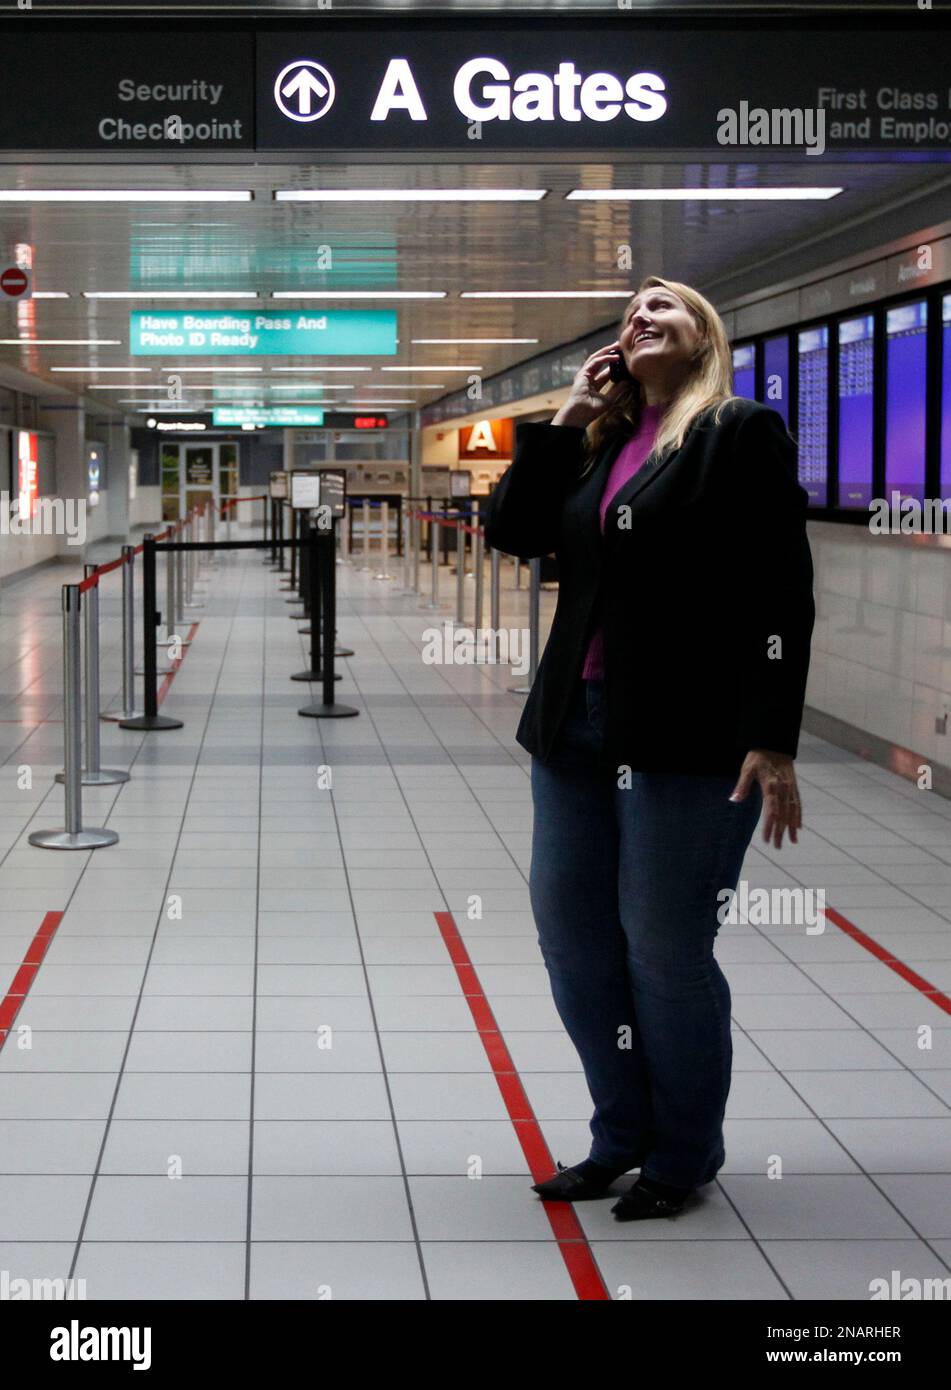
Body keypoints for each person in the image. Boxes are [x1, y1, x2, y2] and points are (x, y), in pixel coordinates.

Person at [483, 276, 815, 1221]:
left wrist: (771, 738)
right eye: (629, 311)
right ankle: (615, 1136)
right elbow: (511, 531)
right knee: (575, 944)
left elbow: (778, 589)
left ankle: (683, 1151)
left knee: (665, 948)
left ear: (703, 333)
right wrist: (568, 415)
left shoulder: (735, 430)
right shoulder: (597, 442)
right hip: (575, 729)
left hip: (688, 734)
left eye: (660, 306)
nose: (639, 317)